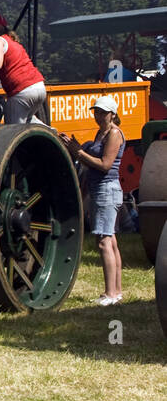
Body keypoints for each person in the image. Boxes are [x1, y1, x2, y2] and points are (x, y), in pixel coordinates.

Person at [59, 95, 124, 305]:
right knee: (110, 240)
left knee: (104, 242)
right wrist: (78, 148)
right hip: (100, 190)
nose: (97, 115)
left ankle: (110, 294)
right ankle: (117, 291)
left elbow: (105, 164)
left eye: (102, 112)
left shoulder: (114, 134)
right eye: (95, 111)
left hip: (107, 189)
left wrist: (78, 152)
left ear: (112, 114)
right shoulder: (100, 133)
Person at [0, 12, 47, 123]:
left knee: (12, 132)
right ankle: (52, 133)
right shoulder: (11, 40)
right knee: (28, 122)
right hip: (39, 87)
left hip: (22, 92)